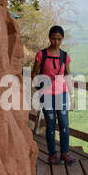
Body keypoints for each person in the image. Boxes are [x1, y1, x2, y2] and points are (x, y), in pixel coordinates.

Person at [31, 26, 74, 164]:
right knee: (50, 124)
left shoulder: (64, 56)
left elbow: (68, 76)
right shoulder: (41, 54)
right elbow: (34, 73)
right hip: (47, 95)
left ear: (62, 39)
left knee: (64, 124)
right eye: (53, 38)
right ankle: (52, 154)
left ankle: (65, 153)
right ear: (49, 38)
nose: (56, 42)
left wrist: (72, 97)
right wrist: (39, 88)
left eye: (59, 39)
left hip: (61, 94)